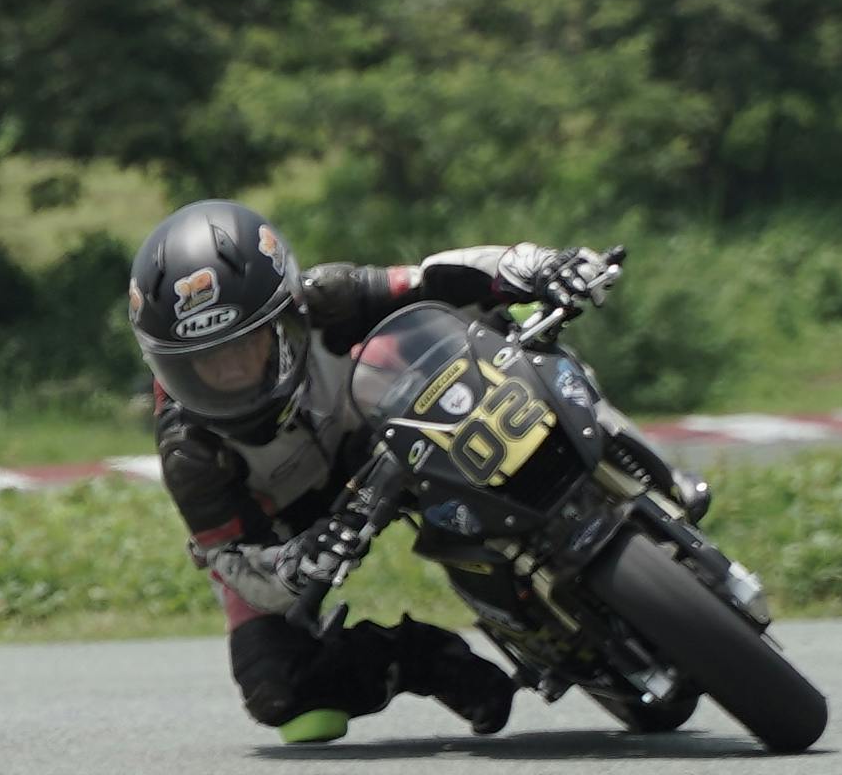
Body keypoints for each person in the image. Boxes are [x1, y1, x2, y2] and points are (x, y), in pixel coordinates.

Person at [128, 198, 645, 745]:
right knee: (280, 696)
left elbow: (434, 277)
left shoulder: (328, 298)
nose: (228, 374)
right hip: (294, 524)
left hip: (389, 434)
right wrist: (293, 565)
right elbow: (231, 561)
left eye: (245, 347)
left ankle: (622, 463)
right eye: (204, 363)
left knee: (505, 341)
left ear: (286, 317)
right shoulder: (190, 451)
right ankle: (424, 659)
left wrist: (534, 264)